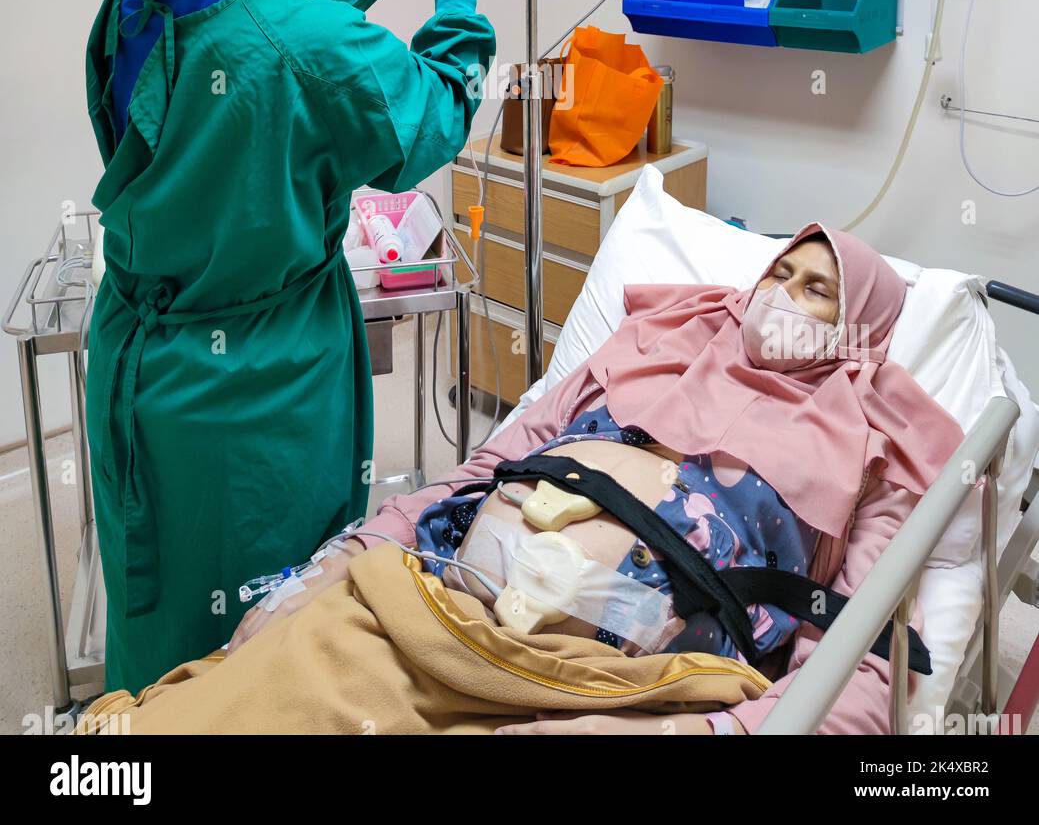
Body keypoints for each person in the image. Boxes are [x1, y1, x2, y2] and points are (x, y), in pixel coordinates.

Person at [78, 224, 964, 734]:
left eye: (817, 291)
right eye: (781, 270)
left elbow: (867, 655)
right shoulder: (652, 348)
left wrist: (731, 732)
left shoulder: (869, 449)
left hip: (607, 685)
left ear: (859, 332)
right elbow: (492, 462)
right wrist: (355, 548)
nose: (783, 295)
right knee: (228, 711)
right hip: (437, 601)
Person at [84, 0, 513, 693]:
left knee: (159, 606)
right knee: (265, 628)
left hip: (139, 362)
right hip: (256, 388)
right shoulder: (302, 47)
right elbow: (439, 109)